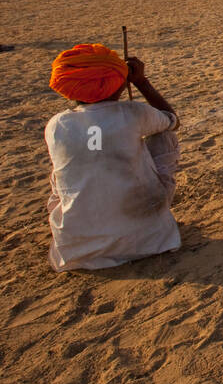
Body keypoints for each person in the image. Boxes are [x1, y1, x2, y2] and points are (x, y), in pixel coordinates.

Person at [44, 43, 181, 271]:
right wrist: (142, 82)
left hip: (77, 250)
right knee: (163, 136)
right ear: (118, 83)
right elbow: (172, 121)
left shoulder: (56, 125)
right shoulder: (133, 113)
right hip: (148, 240)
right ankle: (146, 220)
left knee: (61, 173)